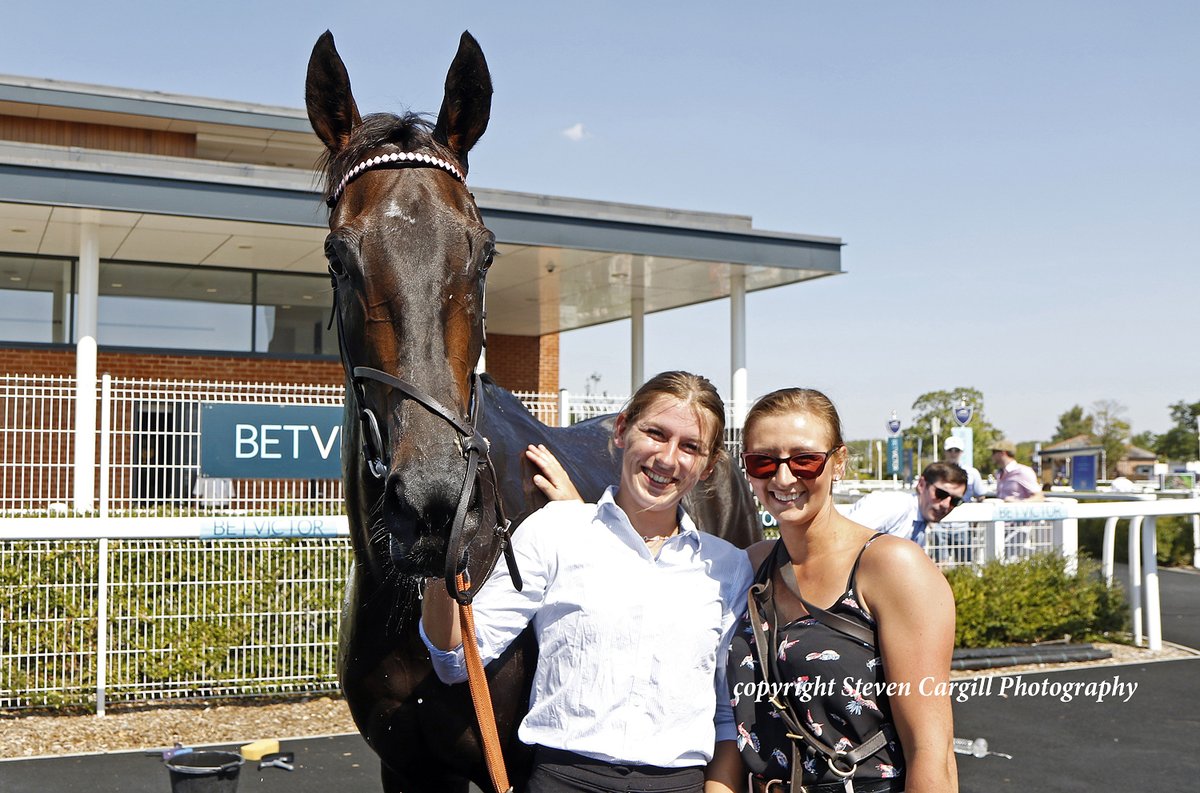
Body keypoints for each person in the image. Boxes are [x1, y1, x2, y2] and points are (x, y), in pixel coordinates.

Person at [420, 371, 754, 793]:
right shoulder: (554, 532)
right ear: (622, 430)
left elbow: (727, 714)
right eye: (655, 433)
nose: (668, 459)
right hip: (565, 780)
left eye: (690, 447)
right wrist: (439, 551)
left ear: (708, 467)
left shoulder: (728, 568)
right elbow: (455, 662)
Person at [716, 388, 957, 793]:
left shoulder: (890, 566)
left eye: (804, 460)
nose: (783, 478)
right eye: (763, 461)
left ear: (838, 462)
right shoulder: (752, 566)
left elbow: (931, 750)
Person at [840, 461, 968, 547]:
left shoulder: (919, 523)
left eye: (955, 501)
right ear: (922, 485)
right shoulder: (893, 505)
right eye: (941, 494)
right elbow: (842, 538)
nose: (946, 505)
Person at [941, 436, 986, 502]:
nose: (953, 453)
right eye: (950, 450)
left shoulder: (972, 472)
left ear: (962, 452)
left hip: (965, 507)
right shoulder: (937, 472)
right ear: (944, 452)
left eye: (957, 450)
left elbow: (980, 496)